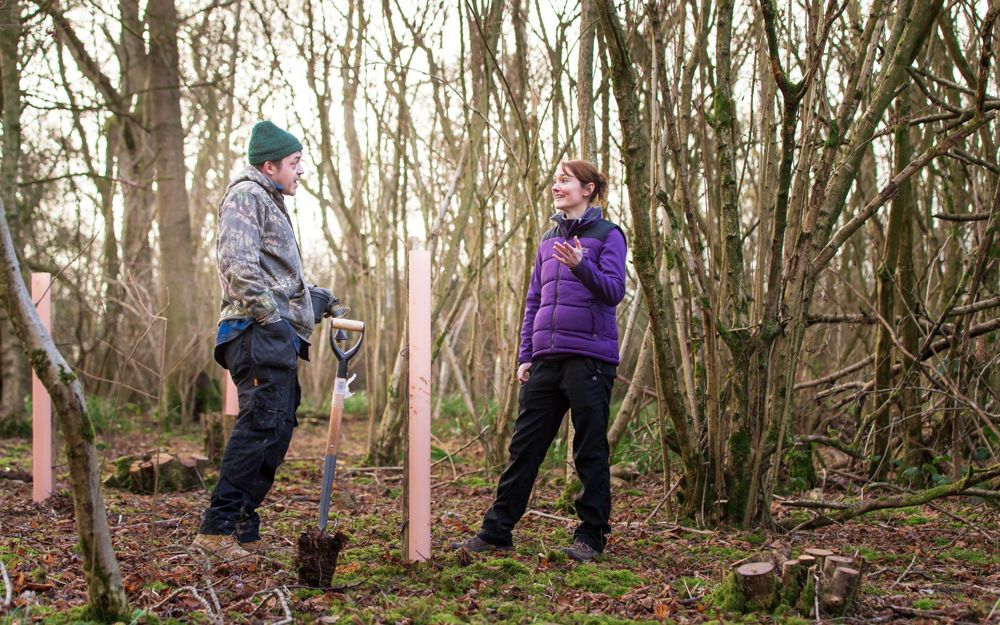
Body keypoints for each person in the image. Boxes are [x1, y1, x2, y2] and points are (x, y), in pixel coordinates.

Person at [451, 160, 627, 562]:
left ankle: (592, 536)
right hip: (546, 360)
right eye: (555, 181)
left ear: (587, 189)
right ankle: (497, 532)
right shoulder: (548, 240)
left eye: (564, 181)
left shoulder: (608, 235)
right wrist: (525, 355)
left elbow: (613, 291)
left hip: (590, 359)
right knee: (524, 448)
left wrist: (580, 266)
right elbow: (534, 301)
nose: (556, 186)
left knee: (589, 451)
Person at [193, 120, 344, 561]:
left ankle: (242, 520)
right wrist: (273, 318)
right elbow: (237, 265)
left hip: (273, 332)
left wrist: (317, 299)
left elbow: (278, 276)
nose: (300, 172)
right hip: (255, 332)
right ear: (270, 164)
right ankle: (216, 531)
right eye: (295, 164)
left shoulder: (271, 202)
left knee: (277, 429)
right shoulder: (246, 195)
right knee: (260, 424)